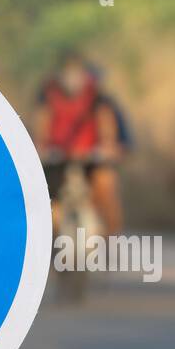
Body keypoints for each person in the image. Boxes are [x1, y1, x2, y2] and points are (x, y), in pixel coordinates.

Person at [33, 52, 124, 236]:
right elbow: (39, 133)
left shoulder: (98, 99)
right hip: (57, 161)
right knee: (49, 205)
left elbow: (110, 138)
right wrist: (41, 151)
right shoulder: (49, 97)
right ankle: (49, 246)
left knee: (106, 184)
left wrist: (106, 150)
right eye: (68, 73)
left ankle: (111, 240)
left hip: (91, 161)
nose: (73, 80)